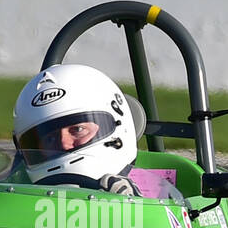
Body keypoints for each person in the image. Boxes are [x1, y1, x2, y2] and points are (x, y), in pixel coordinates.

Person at [11, 63, 142, 194]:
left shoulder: (159, 190)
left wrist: (132, 209)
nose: (64, 144)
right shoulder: (13, 191)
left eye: (78, 130)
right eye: (50, 138)